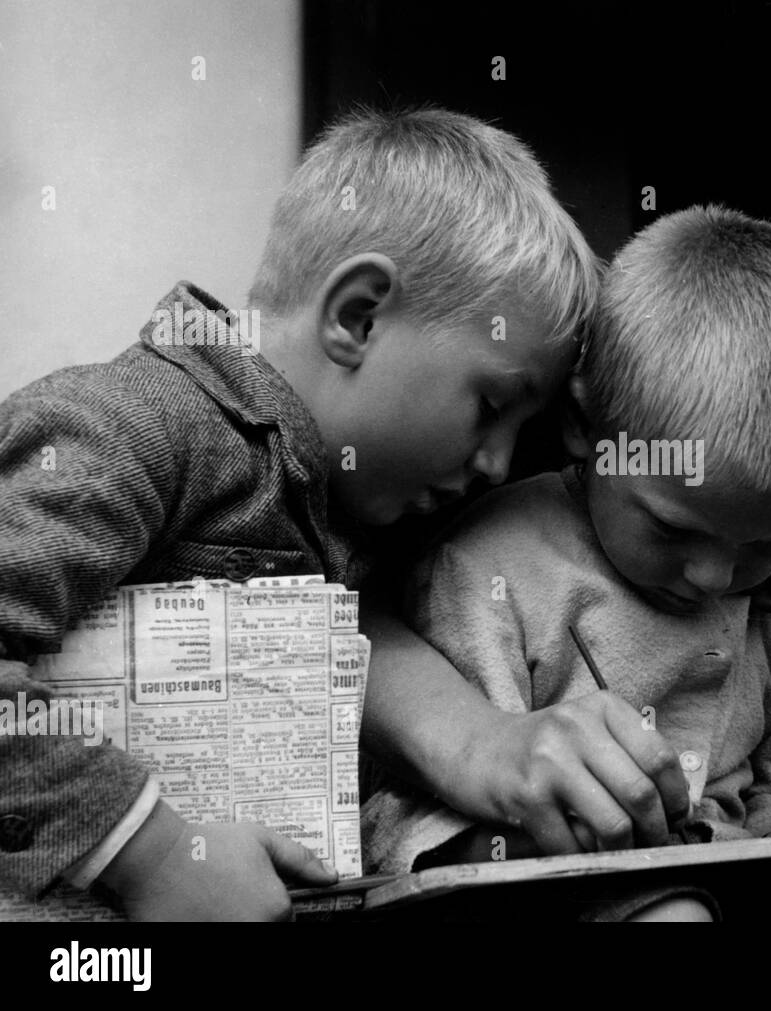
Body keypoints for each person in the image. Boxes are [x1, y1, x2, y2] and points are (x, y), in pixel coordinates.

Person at [0, 106, 599, 920]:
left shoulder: (366, 510)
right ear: (358, 315)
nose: (496, 460)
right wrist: (151, 853)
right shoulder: (129, 423)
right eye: (491, 405)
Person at [362, 206, 771, 920]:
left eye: (764, 541)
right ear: (584, 426)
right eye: (672, 530)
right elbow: (423, 825)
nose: (714, 578)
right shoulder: (488, 572)